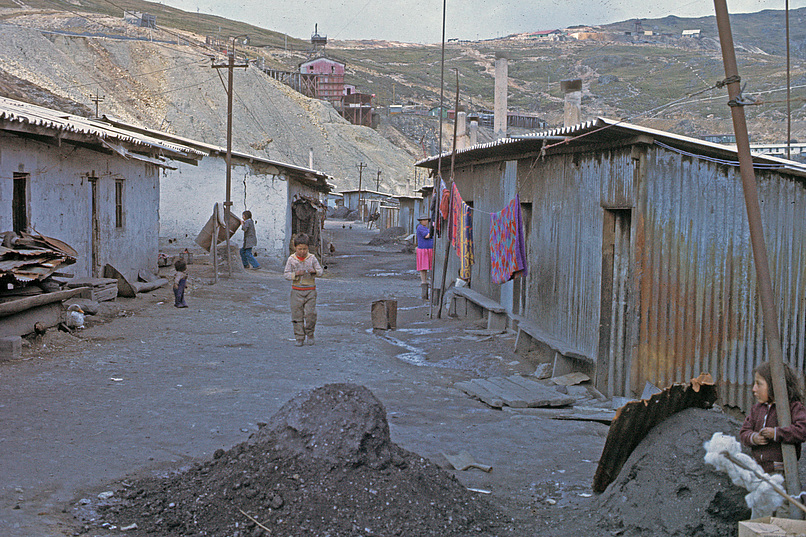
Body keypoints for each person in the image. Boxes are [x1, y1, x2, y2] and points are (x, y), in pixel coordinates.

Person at [739, 361, 806, 473]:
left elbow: (802, 430)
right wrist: (754, 438)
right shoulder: (756, 409)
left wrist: (775, 433)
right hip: (757, 470)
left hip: (780, 471)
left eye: (758, 384)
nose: (754, 389)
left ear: (774, 385)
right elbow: (744, 432)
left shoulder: (794, 407)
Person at [283, 233, 323, 346]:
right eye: (299, 249)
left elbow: (320, 272)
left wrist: (314, 272)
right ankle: (299, 337)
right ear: (295, 248)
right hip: (296, 291)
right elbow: (286, 275)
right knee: (297, 315)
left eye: (304, 249)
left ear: (308, 248)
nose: (302, 251)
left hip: (310, 291)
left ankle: (310, 333)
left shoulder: (312, 259)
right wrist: (295, 274)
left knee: (310, 314)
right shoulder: (291, 259)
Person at [415, 214, 433, 300]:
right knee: (423, 267)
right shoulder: (420, 228)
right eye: (424, 220)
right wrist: (433, 230)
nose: (425, 221)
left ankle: (425, 281)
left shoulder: (425, 228)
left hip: (428, 249)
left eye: (426, 220)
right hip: (423, 250)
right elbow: (427, 236)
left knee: (427, 266)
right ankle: (424, 281)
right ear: (421, 221)